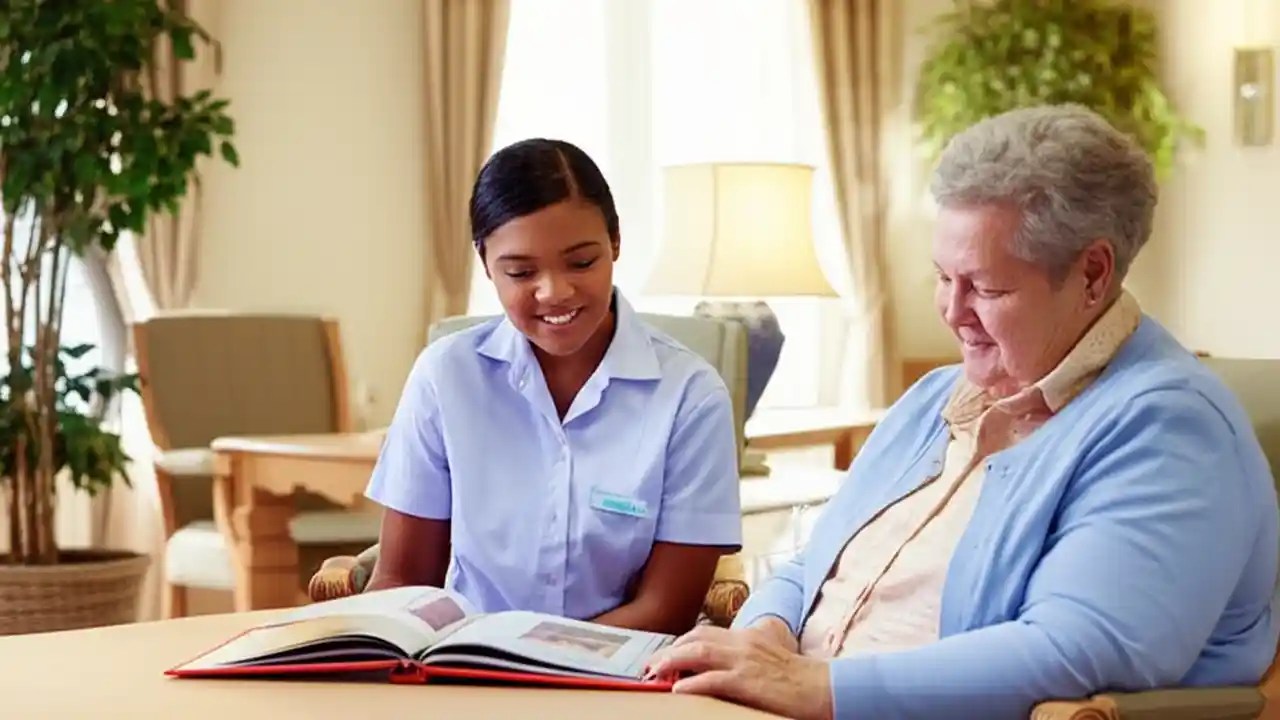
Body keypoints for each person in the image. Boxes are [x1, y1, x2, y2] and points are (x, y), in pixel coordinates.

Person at [645, 104, 1280, 719]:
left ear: (1092, 273)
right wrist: (762, 640)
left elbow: (1074, 649)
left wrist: (818, 688)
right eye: (943, 278)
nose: (950, 311)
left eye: (986, 286)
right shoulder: (936, 398)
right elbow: (814, 564)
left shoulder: (1169, 430)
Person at [363, 138, 742, 635]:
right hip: (462, 674)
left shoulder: (690, 396)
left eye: (582, 263)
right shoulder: (445, 376)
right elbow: (403, 579)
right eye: (521, 272)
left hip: (618, 680)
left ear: (616, 243)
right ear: (485, 264)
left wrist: (532, 663)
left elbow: (666, 611)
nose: (554, 292)